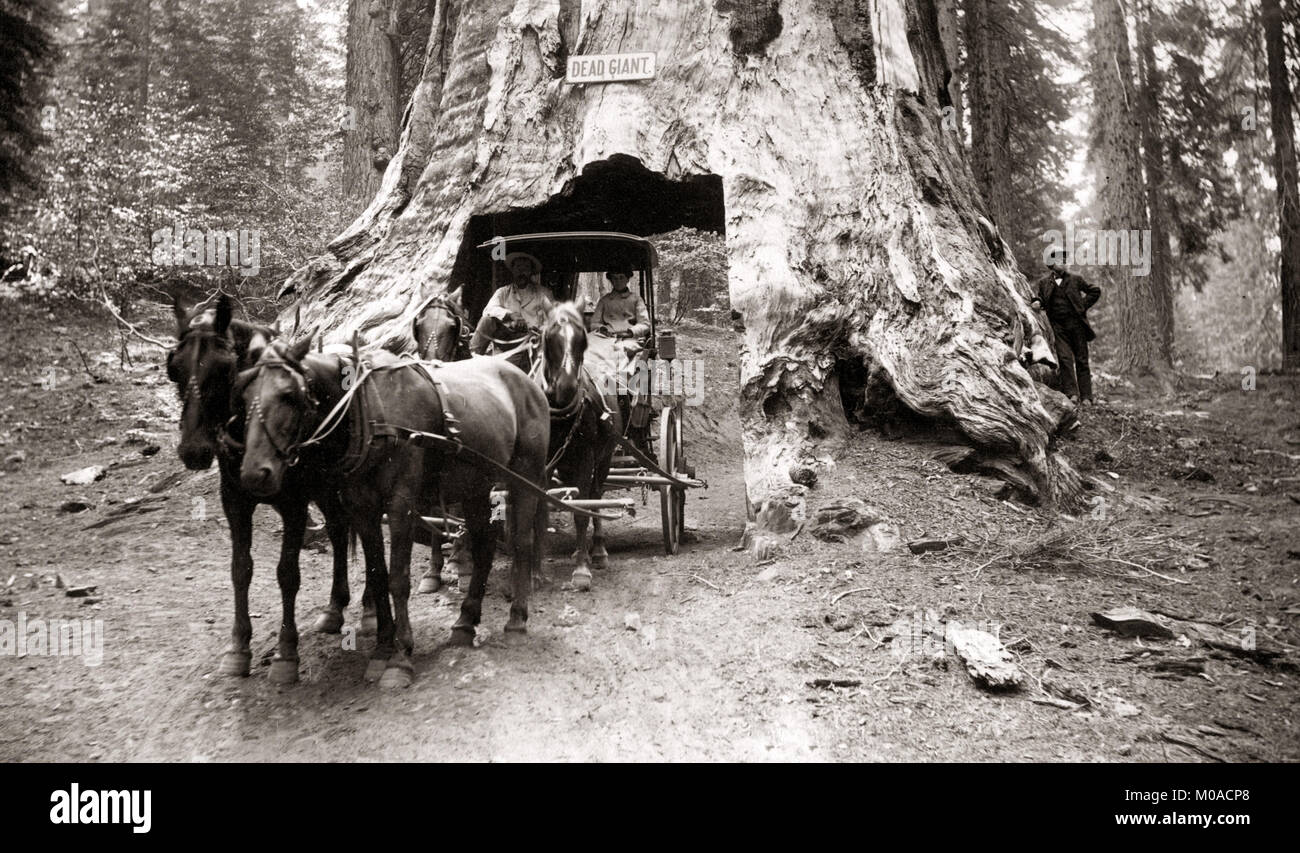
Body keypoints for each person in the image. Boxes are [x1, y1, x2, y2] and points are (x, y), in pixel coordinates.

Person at [1030, 252, 1101, 403]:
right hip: (1058, 326)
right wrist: (1037, 302)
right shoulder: (1044, 283)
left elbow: (1095, 291)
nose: (1063, 261)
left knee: (1081, 360)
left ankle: (1087, 397)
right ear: (1051, 264)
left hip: (1077, 326)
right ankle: (1072, 394)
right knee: (1064, 358)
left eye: (1064, 259)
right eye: (1059, 259)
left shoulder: (1075, 279)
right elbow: (1041, 299)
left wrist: (1082, 306)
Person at [469, 252, 554, 356]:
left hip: (531, 341)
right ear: (512, 270)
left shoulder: (543, 293)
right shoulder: (503, 292)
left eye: (526, 268)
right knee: (487, 320)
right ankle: (471, 356)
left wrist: (536, 328)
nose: (521, 271)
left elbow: (553, 318)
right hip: (507, 339)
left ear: (531, 271)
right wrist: (511, 315)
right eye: (518, 267)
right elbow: (488, 310)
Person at [590, 265, 650, 342]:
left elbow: (645, 324)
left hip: (630, 338)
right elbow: (594, 323)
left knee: (623, 351)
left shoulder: (636, 299)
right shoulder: (604, 300)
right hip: (607, 337)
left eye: (621, 277)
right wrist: (602, 329)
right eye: (614, 278)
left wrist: (631, 332)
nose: (618, 281)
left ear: (627, 279)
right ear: (611, 280)